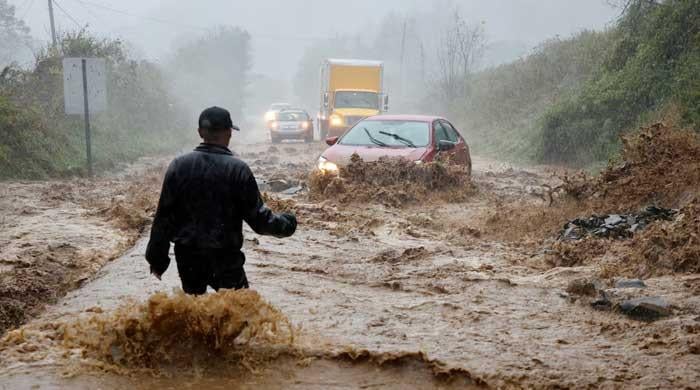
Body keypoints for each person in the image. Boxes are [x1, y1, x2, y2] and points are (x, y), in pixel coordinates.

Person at [145, 106, 297, 294]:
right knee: (238, 313)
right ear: (228, 133)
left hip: (188, 257)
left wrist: (157, 260)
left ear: (200, 132)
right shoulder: (238, 169)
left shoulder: (178, 166)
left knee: (195, 313)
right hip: (225, 258)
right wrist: (286, 224)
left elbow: (163, 217)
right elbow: (259, 220)